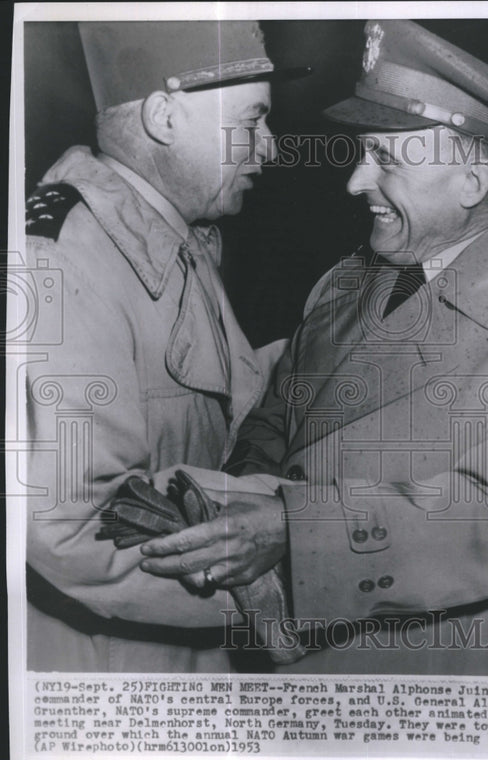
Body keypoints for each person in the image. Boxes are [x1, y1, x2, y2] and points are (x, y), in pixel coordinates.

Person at [138, 20, 488, 675]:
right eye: (361, 153)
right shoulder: (342, 285)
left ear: (472, 178)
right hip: (281, 672)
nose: (353, 183)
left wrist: (291, 529)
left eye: (387, 160)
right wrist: (223, 509)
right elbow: (275, 421)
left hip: (429, 696)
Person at [25, 20, 306, 672]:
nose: (269, 149)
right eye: (253, 121)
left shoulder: (180, 234)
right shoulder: (59, 260)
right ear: (164, 117)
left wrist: (327, 356)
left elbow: (214, 413)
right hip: (111, 679)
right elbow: (70, 520)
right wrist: (267, 571)